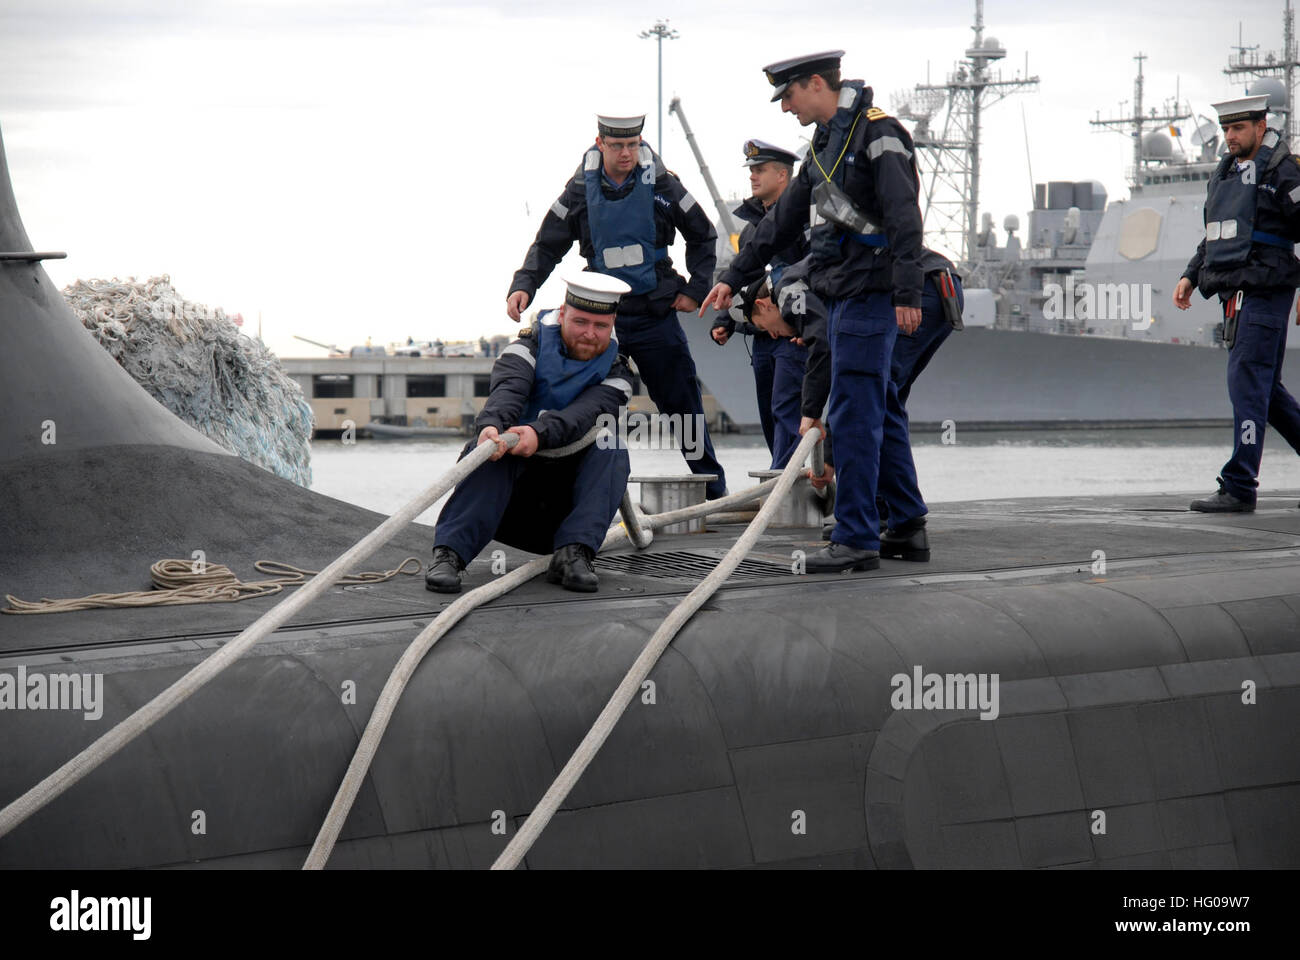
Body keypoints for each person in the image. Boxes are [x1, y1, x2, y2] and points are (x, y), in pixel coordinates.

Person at [701, 51, 934, 571]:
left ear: (814, 84)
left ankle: (856, 539)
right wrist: (732, 278)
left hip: (871, 294)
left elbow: (903, 215)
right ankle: (907, 525)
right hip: (848, 292)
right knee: (881, 410)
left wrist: (906, 294)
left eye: (788, 95)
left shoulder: (878, 134)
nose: (785, 108)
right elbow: (779, 224)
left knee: (854, 415)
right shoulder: (824, 147)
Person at [506, 113, 727, 498]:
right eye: (617, 146)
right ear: (600, 142)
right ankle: (563, 496)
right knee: (582, 405)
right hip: (600, 318)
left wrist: (695, 289)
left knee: (683, 407)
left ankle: (714, 491)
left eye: (633, 144)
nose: (627, 153)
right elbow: (547, 244)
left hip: (655, 314)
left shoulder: (664, 184)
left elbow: (703, 235)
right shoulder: (579, 191)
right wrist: (524, 284)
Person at [427, 273, 635, 594]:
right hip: (508, 509)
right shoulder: (526, 349)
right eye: (581, 322)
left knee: (610, 448)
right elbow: (509, 390)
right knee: (491, 447)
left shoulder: (618, 375)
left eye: (600, 326)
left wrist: (537, 434)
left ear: (613, 324)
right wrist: (491, 428)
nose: (590, 334)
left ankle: (573, 554)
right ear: (562, 313)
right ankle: (450, 554)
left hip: (559, 515)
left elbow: (582, 416)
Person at [1175, 94, 1300, 512]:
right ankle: (1240, 481)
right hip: (1236, 295)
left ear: (1260, 127)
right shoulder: (1228, 173)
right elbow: (1220, 233)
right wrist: (1190, 275)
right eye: (1226, 129)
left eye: (1238, 128)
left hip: (1266, 291)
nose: (1230, 136)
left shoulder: (1282, 172)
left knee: (1247, 383)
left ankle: (1240, 485)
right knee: (1266, 393)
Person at [711, 140, 809, 466]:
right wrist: (725, 320)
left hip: (792, 332)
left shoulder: (805, 218)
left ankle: (784, 484)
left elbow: (818, 270)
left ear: (783, 175)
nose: (753, 177)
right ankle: (780, 481)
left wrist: (802, 323)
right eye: (751, 170)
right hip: (761, 336)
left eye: (760, 170)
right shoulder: (755, 227)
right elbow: (746, 273)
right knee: (769, 410)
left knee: (786, 406)